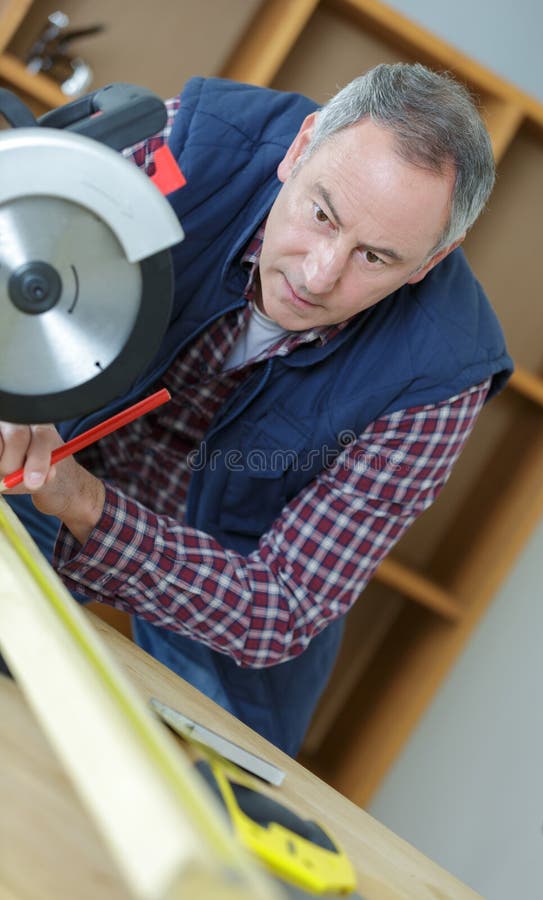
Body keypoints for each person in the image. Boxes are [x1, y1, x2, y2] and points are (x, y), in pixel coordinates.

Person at [0, 63, 513, 756]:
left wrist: (84, 503)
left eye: (376, 257)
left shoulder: (445, 373)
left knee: (208, 813)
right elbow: (16, 245)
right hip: (46, 459)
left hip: (232, 604)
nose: (318, 274)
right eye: (322, 214)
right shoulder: (190, 140)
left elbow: (281, 606)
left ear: (431, 259)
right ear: (299, 150)